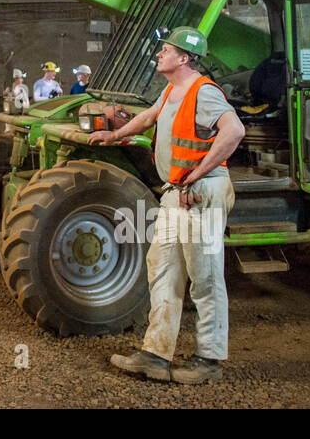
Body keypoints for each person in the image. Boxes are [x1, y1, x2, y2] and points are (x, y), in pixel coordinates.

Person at [86, 27, 245, 384]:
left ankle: (209, 361)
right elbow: (147, 117)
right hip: (178, 192)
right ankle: (155, 354)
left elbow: (234, 131)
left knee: (204, 277)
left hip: (201, 192)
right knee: (163, 270)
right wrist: (114, 135)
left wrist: (197, 174)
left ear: (184, 58)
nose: (158, 55)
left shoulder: (204, 92)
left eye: (165, 50)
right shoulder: (173, 90)